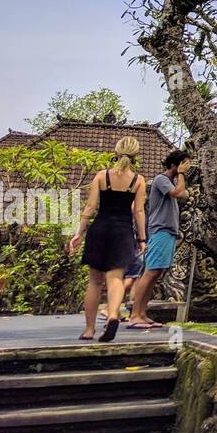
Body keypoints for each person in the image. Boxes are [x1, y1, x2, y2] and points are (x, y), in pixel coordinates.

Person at [70, 137, 147, 342]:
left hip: (99, 229)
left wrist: (79, 232)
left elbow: (90, 207)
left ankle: (88, 329)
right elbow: (138, 212)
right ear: (136, 155)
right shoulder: (138, 180)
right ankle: (113, 314)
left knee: (94, 281)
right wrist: (142, 239)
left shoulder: (102, 176)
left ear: (116, 151)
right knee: (116, 278)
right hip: (122, 232)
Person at [128, 149, 189, 330]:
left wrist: (180, 176)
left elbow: (184, 193)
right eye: (183, 164)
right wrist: (182, 174)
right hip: (160, 230)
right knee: (149, 273)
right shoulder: (161, 179)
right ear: (173, 165)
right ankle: (134, 315)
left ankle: (143, 313)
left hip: (168, 231)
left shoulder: (170, 181)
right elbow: (179, 193)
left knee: (156, 274)